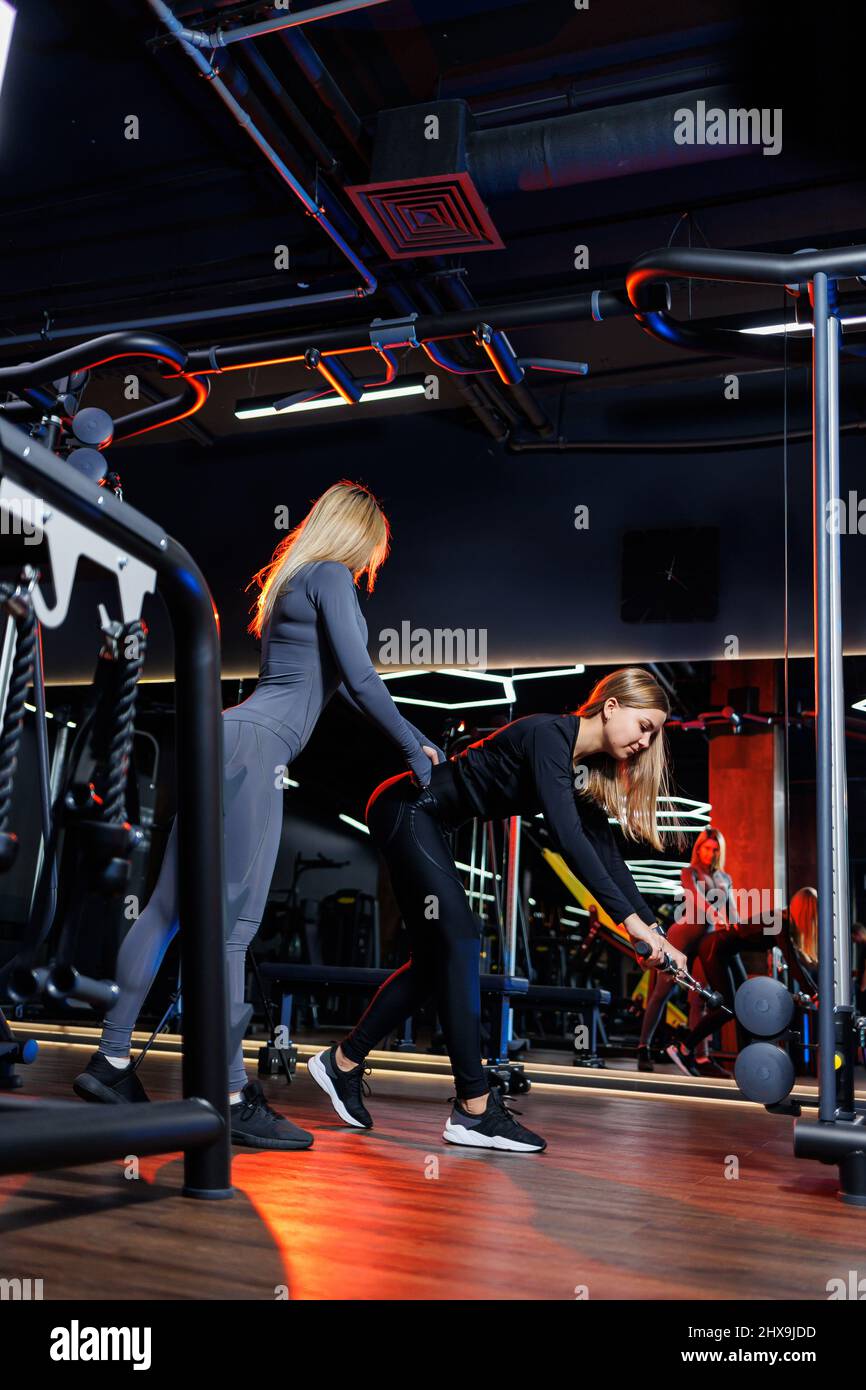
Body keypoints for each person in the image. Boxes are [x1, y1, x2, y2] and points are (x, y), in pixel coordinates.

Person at [72, 480, 444, 1150]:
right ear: (358, 535)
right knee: (233, 928)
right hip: (259, 747)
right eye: (373, 552)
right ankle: (230, 1093)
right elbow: (361, 681)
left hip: (223, 737)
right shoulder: (331, 576)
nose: (369, 567)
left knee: (166, 908)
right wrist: (414, 746)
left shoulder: (295, 579)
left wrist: (404, 734)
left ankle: (112, 1061)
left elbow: (344, 692)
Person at [308, 666, 689, 1154]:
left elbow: (607, 856)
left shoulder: (582, 769)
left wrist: (657, 933)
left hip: (426, 822)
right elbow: (570, 841)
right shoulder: (550, 735)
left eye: (653, 734)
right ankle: (474, 1108)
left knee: (434, 961)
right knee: (462, 940)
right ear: (611, 705)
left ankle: (342, 1062)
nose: (645, 741)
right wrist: (631, 924)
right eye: (644, 727)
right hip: (407, 809)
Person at [638, 827, 737, 1078]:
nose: (711, 853)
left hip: (706, 941)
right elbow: (696, 898)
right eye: (706, 848)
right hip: (682, 936)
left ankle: (700, 1057)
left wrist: (738, 931)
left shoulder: (725, 878)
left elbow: (734, 914)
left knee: (701, 999)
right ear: (699, 848)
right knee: (662, 993)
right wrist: (715, 914)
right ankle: (643, 1048)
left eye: (715, 849)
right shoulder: (689, 872)